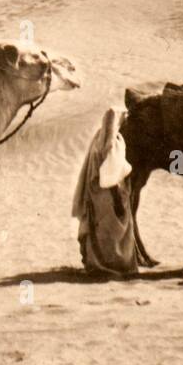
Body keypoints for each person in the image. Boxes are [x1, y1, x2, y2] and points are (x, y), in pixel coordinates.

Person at [72, 106, 142, 276]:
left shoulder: (98, 138)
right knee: (114, 232)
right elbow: (111, 171)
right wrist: (119, 196)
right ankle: (115, 266)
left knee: (99, 230)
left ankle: (96, 263)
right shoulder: (113, 142)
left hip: (95, 194)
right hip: (109, 194)